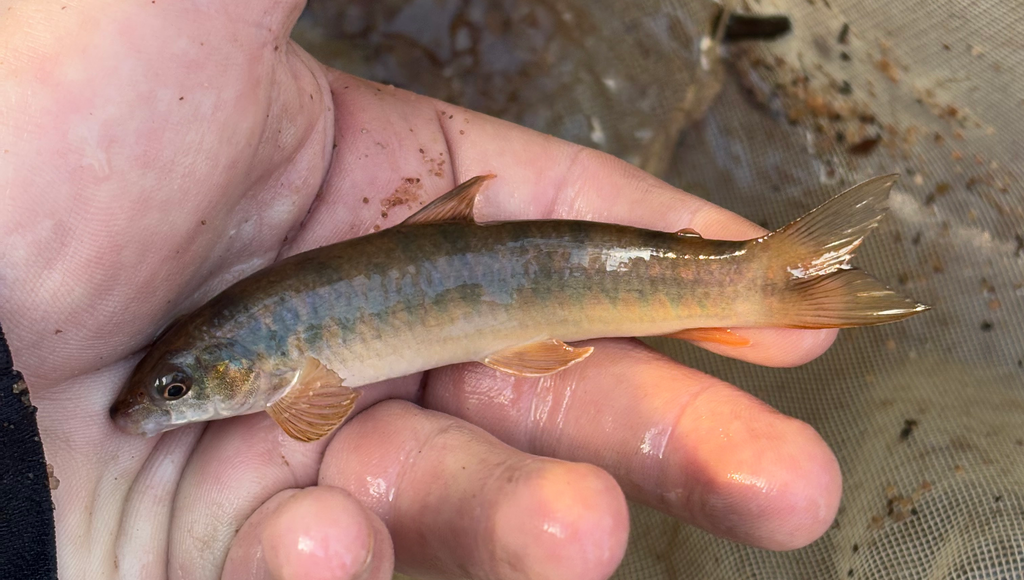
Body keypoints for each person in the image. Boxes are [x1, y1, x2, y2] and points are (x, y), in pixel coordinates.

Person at [0, 1, 843, 578]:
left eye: (177, 391)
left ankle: (757, 284)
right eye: (172, 392)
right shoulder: (252, 342)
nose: (149, 411)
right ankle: (761, 283)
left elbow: (311, 407)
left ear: (242, 367)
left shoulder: (274, 359)